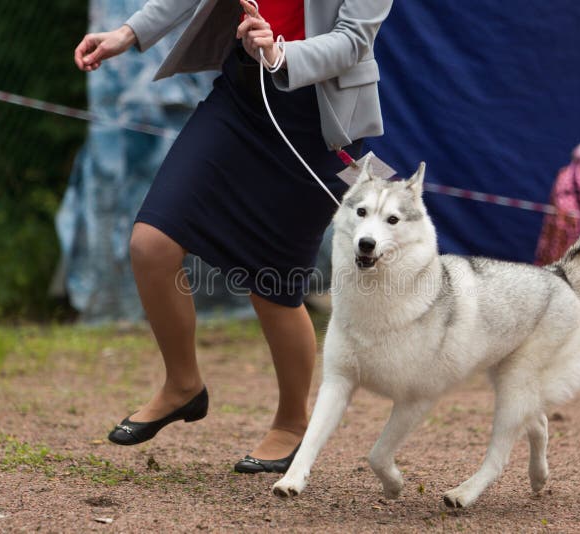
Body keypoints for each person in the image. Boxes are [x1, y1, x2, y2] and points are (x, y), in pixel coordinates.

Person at [73, 0, 392, 473]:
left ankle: (290, 424)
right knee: (151, 244)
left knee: (274, 287)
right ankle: (182, 386)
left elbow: (353, 41)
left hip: (318, 124)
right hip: (241, 100)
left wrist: (283, 56)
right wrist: (129, 32)